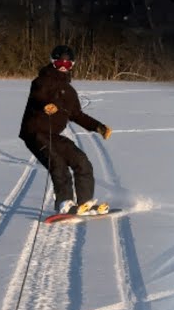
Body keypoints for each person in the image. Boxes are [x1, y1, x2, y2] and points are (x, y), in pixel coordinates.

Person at [18, 45, 114, 215]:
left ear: (72, 65)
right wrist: (45, 105)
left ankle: (85, 203)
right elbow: (38, 96)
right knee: (57, 163)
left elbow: (76, 114)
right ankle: (64, 203)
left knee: (81, 160)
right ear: (53, 62)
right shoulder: (41, 81)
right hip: (35, 133)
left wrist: (98, 126)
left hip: (53, 135)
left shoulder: (69, 91)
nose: (64, 66)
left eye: (68, 64)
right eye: (60, 62)